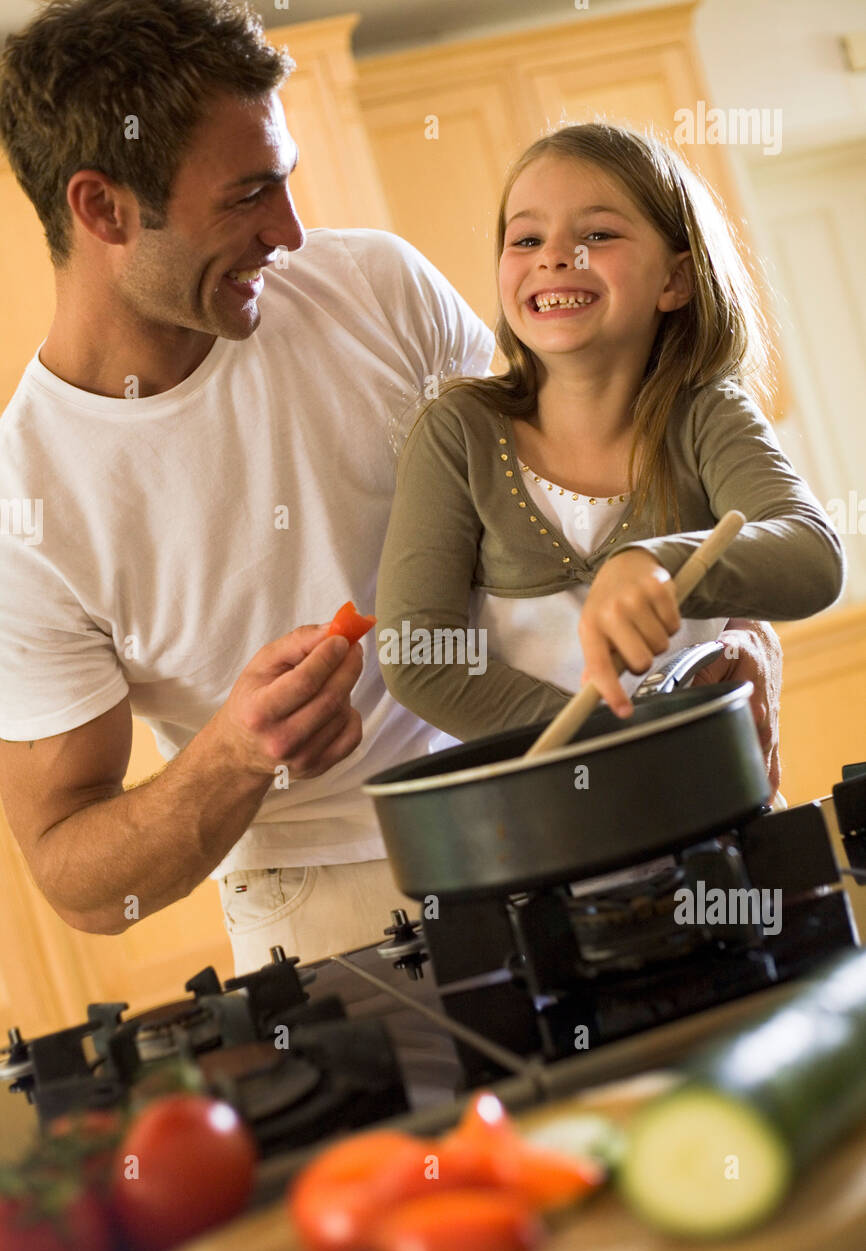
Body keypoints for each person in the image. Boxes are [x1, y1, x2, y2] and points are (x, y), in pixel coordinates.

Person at [0, 5, 782, 974]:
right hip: (330, 900)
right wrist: (233, 756)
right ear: (103, 208)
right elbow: (77, 880)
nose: (287, 233)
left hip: (558, 793)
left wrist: (735, 636)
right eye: (247, 196)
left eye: (282, 181)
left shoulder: (375, 288)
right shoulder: (25, 509)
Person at [376, 124, 844, 752]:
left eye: (597, 234)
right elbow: (418, 657)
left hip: (713, 810)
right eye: (527, 238)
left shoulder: (706, 415)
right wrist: (620, 749)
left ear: (675, 280)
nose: (555, 256)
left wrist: (654, 563)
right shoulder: (459, 432)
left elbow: (813, 558)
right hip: (551, 828)